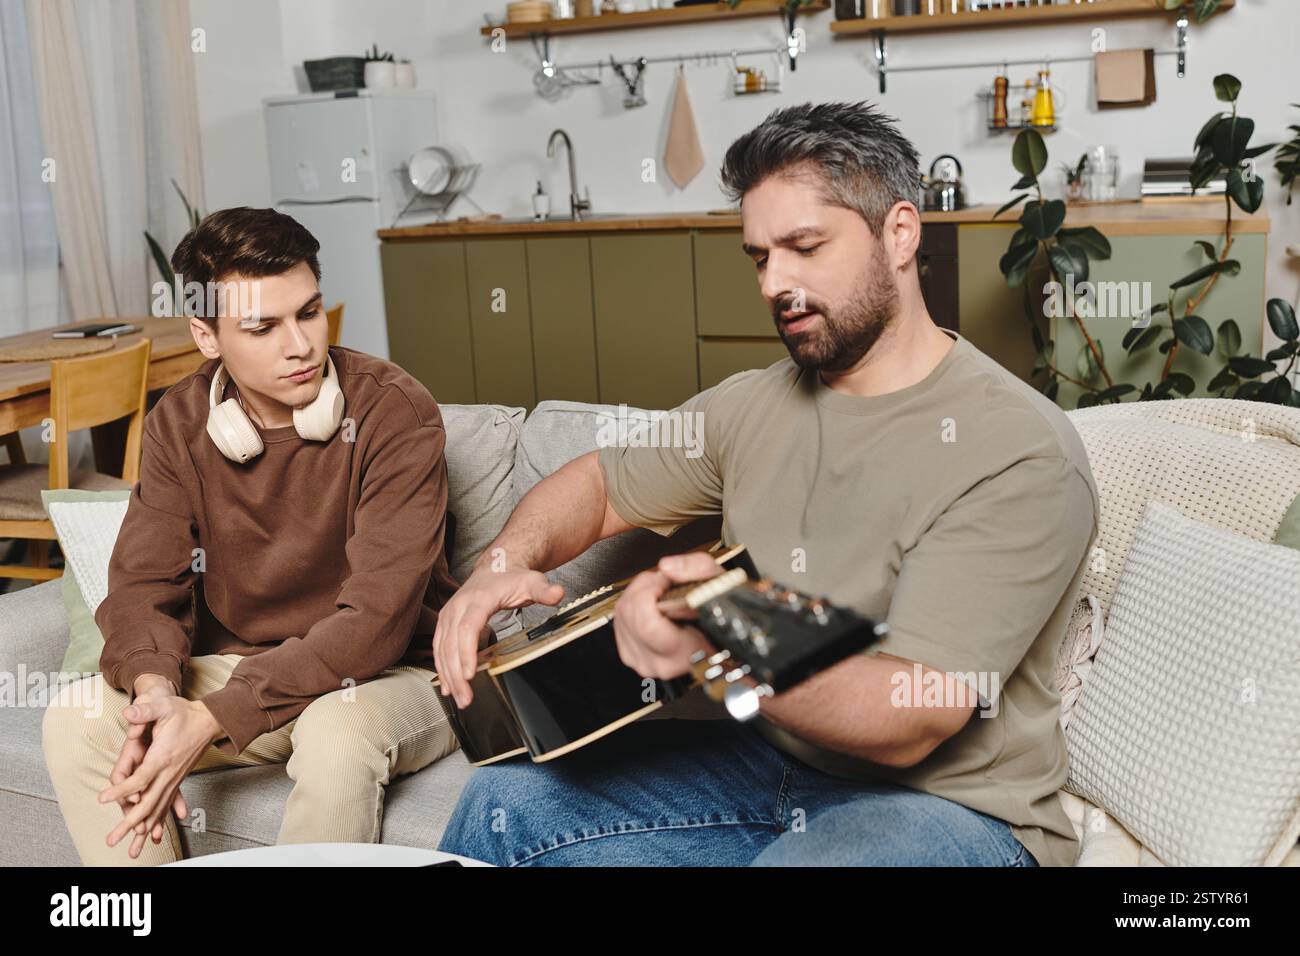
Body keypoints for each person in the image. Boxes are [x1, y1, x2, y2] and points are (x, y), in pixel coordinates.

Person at [432, 101, 1098, 867]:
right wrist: (503, 565)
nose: (774, 283)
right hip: (777, 768)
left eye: (804, 247)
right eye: (759, 256)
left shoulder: (1017, 451)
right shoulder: (752, 404)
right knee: (503, 808)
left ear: (901, 233)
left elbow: (911, 712)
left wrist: (715, 644)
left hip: (954, 811)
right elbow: (600, 484)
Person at [43, 207, 461, 864]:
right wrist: (154, 691)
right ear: (206, 337)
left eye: (309, 313)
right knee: (78, 722)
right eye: (262, 327)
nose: (299, 345)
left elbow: (376, 621)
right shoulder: (178, 423)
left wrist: (214, 717)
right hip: (250, 673)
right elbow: (146, 582)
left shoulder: (393, 411)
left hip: (394, 672)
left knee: (337, 731)